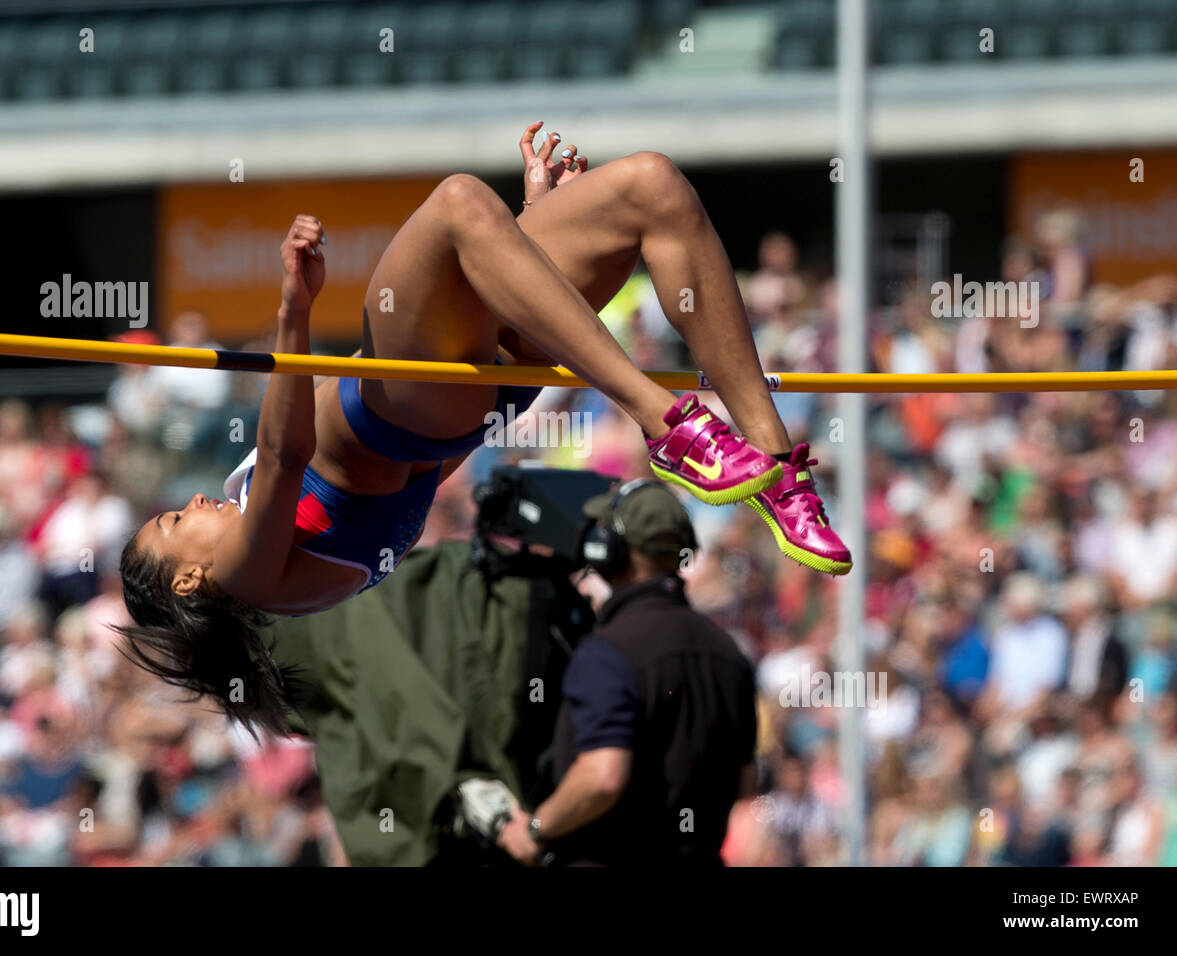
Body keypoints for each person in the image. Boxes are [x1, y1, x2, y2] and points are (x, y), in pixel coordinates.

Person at [117, 125, 851, 736]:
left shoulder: (279, 561)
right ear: (187, 577)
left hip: (472, 376)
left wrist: (524, 241)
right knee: (459, 201)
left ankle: (779, 469)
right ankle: (668, 423)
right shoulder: (252, 576)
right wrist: (293, 311)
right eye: (177, 521)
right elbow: (284, 453)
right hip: (405, 396)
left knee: (653, 187)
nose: (195, 506)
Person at [496, 479, 757, 866]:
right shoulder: (728, 651)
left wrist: (535, 828)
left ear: (610, 550)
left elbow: (603, 777)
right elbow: (744, 782)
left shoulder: (608, 652)